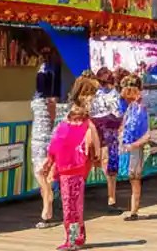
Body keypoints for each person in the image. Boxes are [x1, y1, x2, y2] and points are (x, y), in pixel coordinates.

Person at [43, 99, 101, 250]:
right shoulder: (82, 127)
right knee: (74, 206)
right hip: (73, 171)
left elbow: (54, 149)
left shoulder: (71, 128)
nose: (76, 122)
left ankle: (73, 240)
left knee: (71, 208)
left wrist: (49, 164)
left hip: (72, 172)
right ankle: (77, 237)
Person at [32, 48, 60, 229]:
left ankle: (47, 203)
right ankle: (47, 201)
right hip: (43, 133)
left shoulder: (46, 99)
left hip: (41, 134)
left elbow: (51, 112)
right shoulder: (51, 72)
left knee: (40, 171)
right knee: (43, 170)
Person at [89, 68, 124, 211]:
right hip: (108, 128)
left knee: (96, 160)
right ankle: (111, 198)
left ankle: (111, 198)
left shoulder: (94, 95)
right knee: (109, 163)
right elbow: (118, 113)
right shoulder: (114, 95)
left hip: (97, 127)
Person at [119, 74, 151, 220]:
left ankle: (134, 210)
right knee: (132, 178)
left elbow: (147, 133)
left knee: (135, 178)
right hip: (129, 145)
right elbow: (124, 125)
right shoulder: (131, 108)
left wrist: (133, 144)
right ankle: (133, 209)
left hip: (135, 146)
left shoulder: (141, 109)